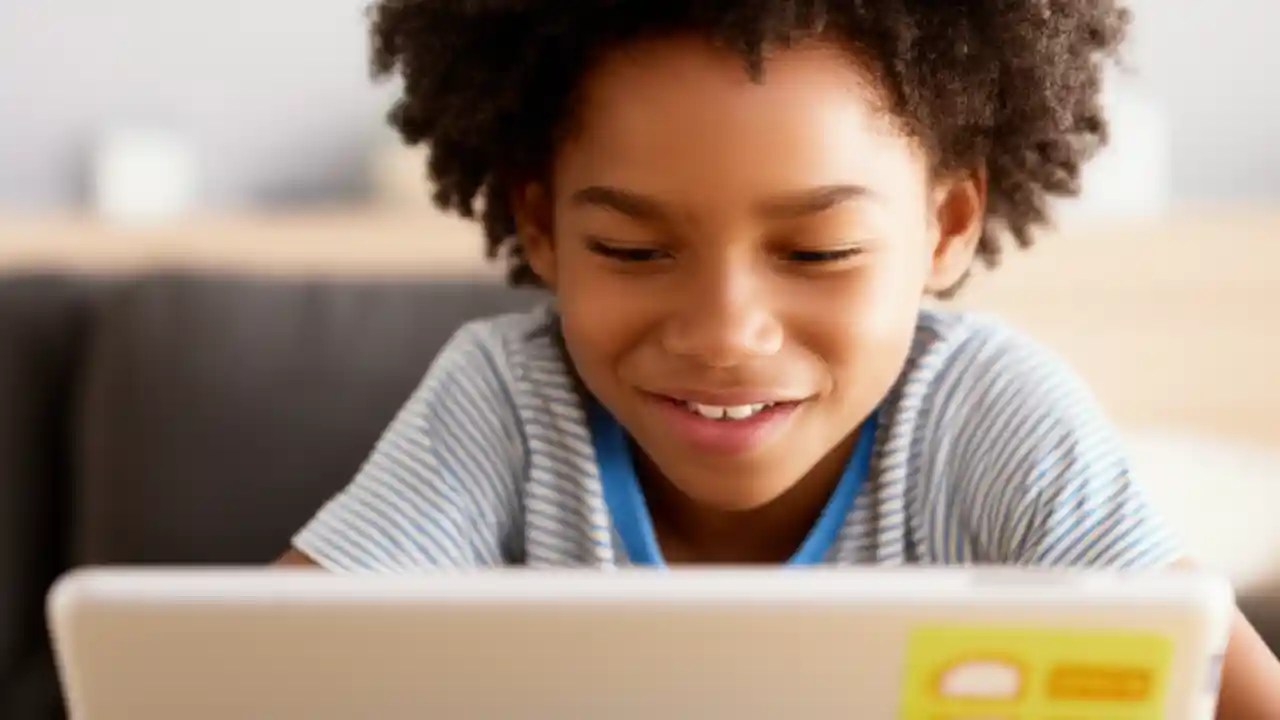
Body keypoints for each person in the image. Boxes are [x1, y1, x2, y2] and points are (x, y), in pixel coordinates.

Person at [279, 1, 1280, 714]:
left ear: (944, 225)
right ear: (540, 224)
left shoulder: (989, 414)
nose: (724, 333)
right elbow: (256, 669)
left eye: (817, 253)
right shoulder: (503, 403)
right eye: (632, 251)